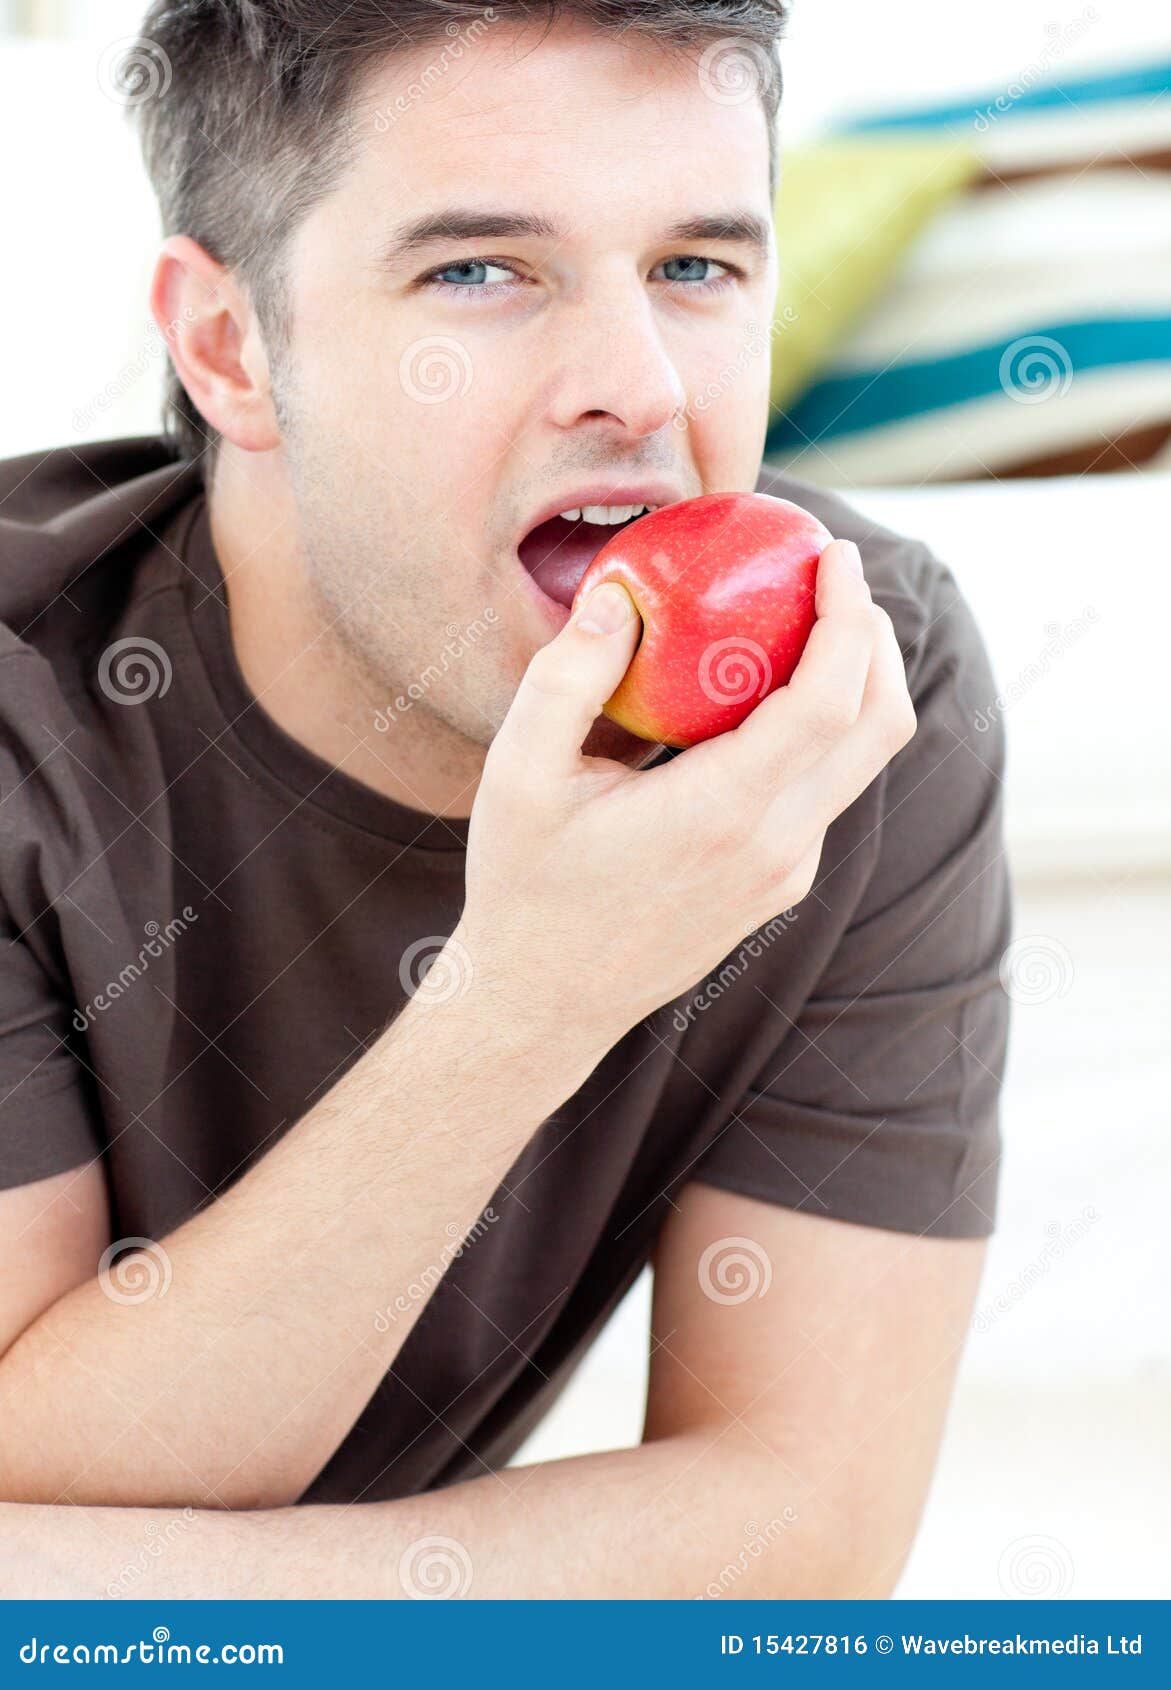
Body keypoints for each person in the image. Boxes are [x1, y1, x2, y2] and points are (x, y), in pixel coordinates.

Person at [0, 0, 1010, 1599]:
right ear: (226, 344)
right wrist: (526, 999)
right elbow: (21, 1455)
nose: (637, 386)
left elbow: (803, 1529)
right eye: (481, 270)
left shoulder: (850, 684)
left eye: (695, 267)